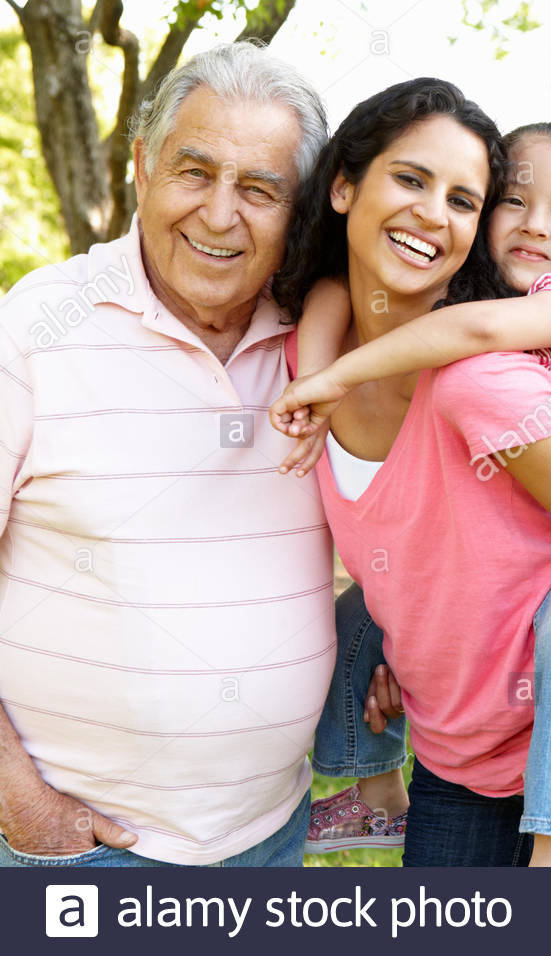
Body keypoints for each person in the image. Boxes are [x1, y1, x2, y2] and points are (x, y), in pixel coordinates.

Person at [271, 81, 551, 867]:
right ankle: (372, 789)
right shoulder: (302, 349)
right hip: (451, 758)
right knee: (359, 611)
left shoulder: (485, 374)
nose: (433, 213)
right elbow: (332, 291)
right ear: (342, 186)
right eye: (409, 180)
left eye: (461, 197)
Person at [0, 42, 333, 867]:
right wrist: (18, 800)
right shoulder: (37, 325)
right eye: (195, 172)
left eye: (260, 190)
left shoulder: (326, 347)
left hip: (271, 836)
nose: (221, 216)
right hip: (80, 846)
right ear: (143, 167)